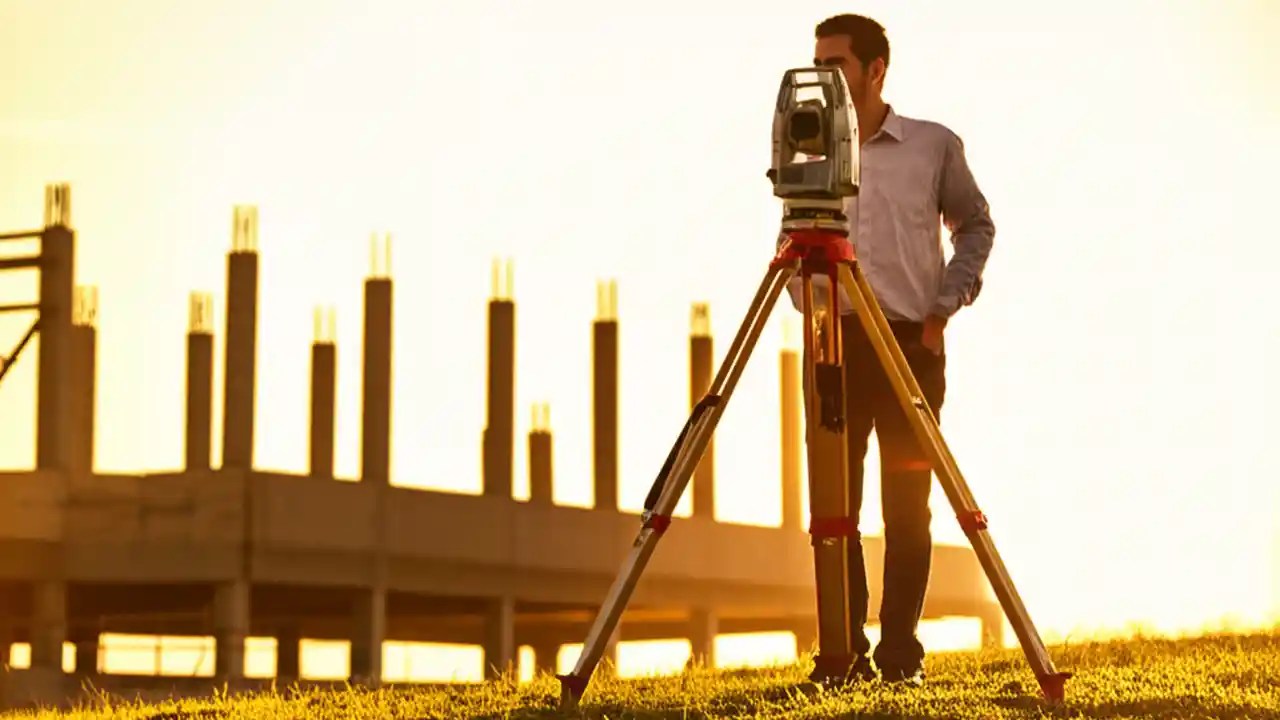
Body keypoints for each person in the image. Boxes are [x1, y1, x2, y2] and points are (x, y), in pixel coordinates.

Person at [794, 13, 996, 688]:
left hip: (912, 344)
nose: (824, 78)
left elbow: (975, 223)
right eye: (817, 64)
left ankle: (899, 655)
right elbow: (796, 247)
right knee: (835, 505)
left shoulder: (932, 147)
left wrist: (945, 306)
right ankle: (842, 653)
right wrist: (803, 291)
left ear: (876, 70)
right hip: (834, 348)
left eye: (838, 65)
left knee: (908, 508)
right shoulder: (812, 152)